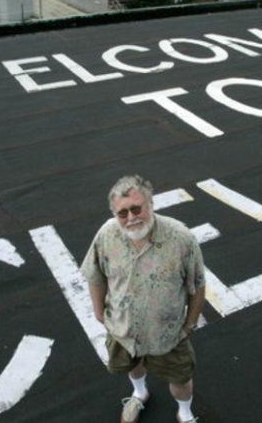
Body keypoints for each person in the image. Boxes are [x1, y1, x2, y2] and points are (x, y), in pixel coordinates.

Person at [81, 175, 206, 423]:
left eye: (137, 208)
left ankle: (185, 412)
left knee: (180, 377)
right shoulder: (107, 234)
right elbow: (94, 274)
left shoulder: (181, 238)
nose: (131, 218)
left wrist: (189, 324)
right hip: (123, 328)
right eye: (123, 213)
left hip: (167, 335)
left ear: (151, 204)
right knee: (132, 365)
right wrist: (98, 312)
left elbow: (198, 285)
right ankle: (140, 394)